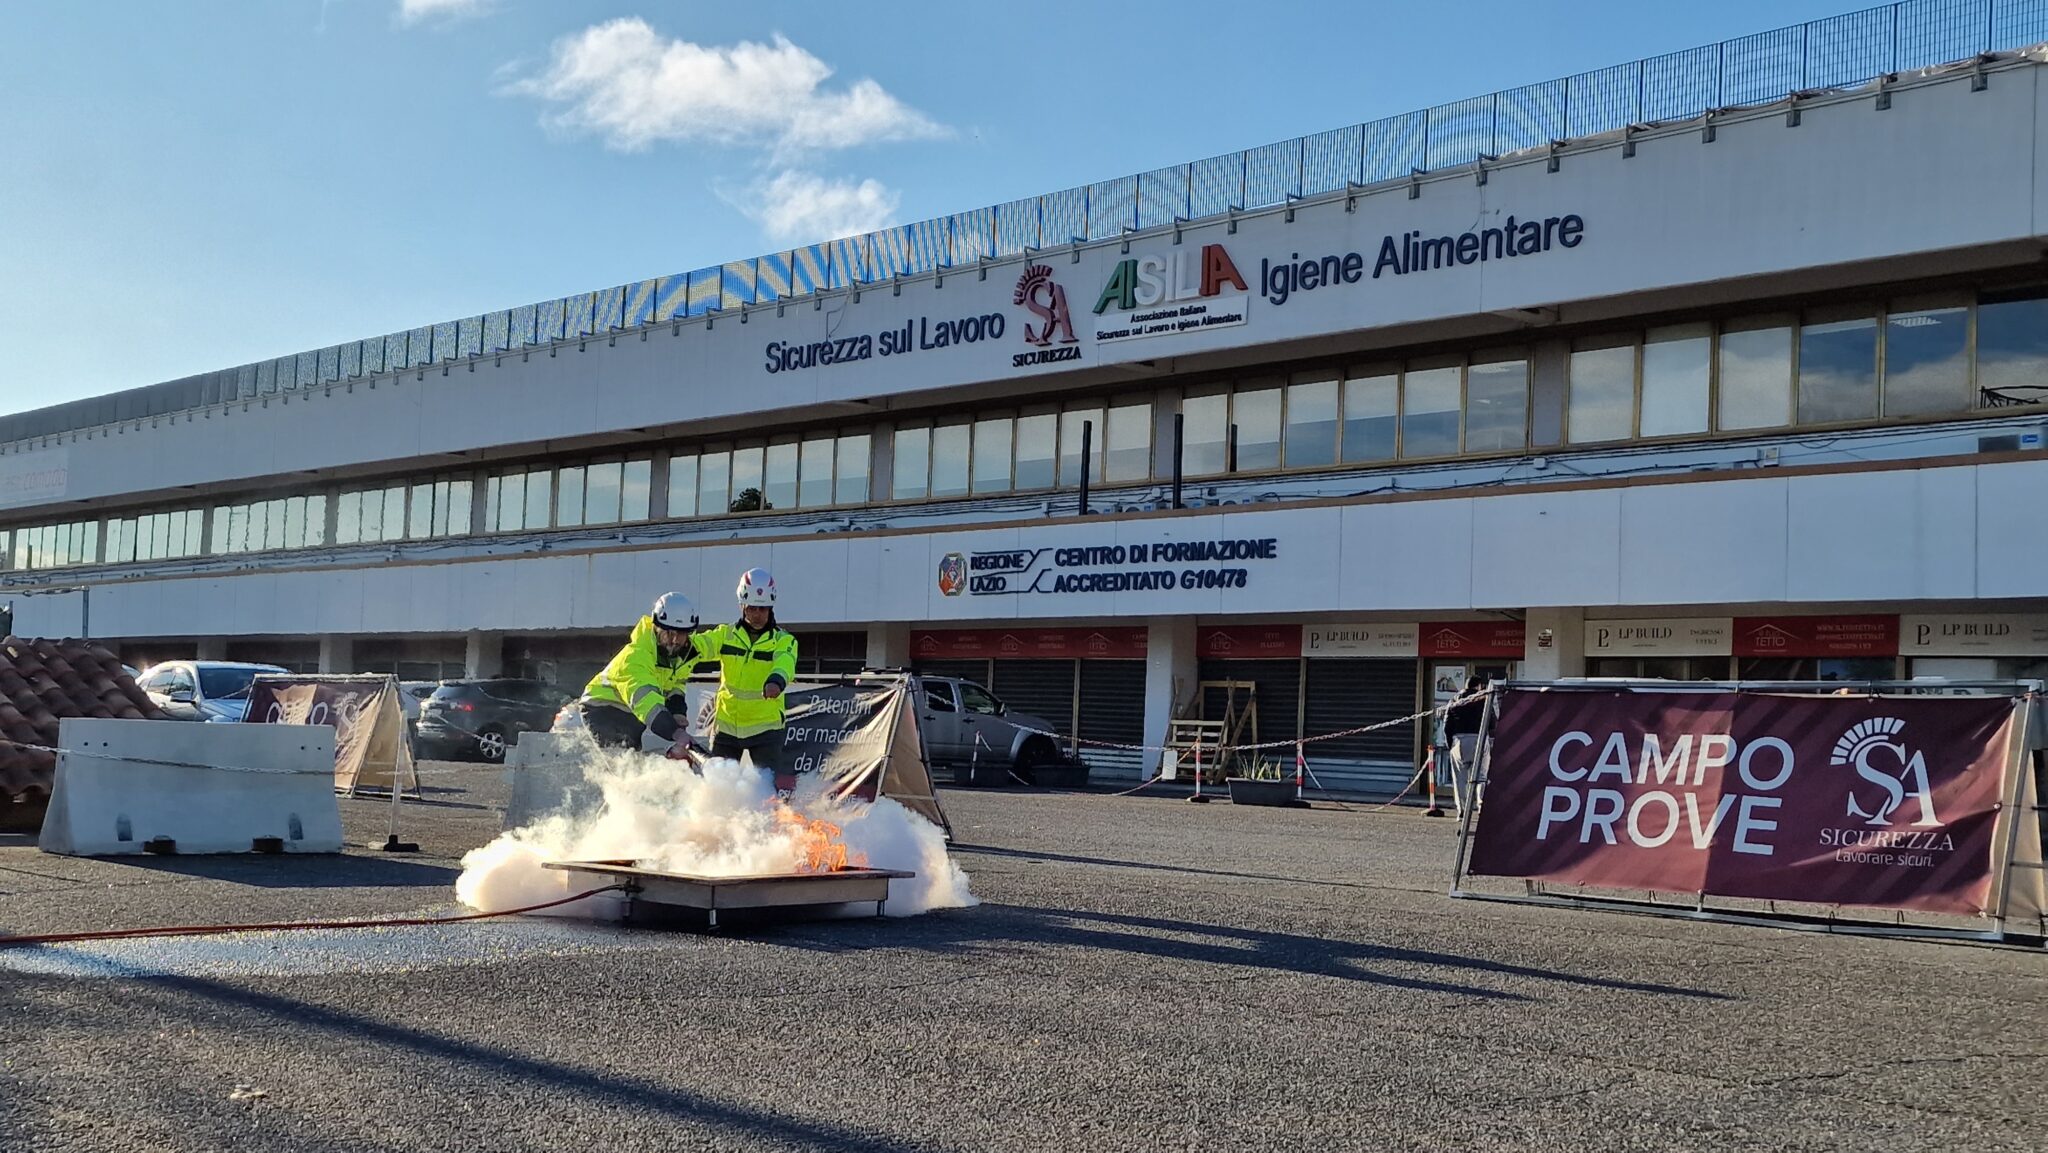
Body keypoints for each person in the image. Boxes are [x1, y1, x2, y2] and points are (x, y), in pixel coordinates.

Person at [685, 567, 799, 776]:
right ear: (742, 605)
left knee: (765, 793)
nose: (757, 614)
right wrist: (680, 642)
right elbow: (701, 645)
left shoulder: (784, 640)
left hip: (766, 730)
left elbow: (786, 663)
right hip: (726, 728)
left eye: (762, 609)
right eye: (752, 608)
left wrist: (776, 680)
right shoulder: (725, 635)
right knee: (719, 786)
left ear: (771, 608)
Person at [578, 591, 702, 750]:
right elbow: (647, 703)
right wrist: (675, 733)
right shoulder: (636, 656)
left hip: (632, 713)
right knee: (621, 763)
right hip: (603, 708)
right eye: (669, 633)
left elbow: (675, 686)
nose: (675, 640)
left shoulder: (676, 658)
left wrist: (677, 713)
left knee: (632, 761)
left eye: (681, 634)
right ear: (657, 628)